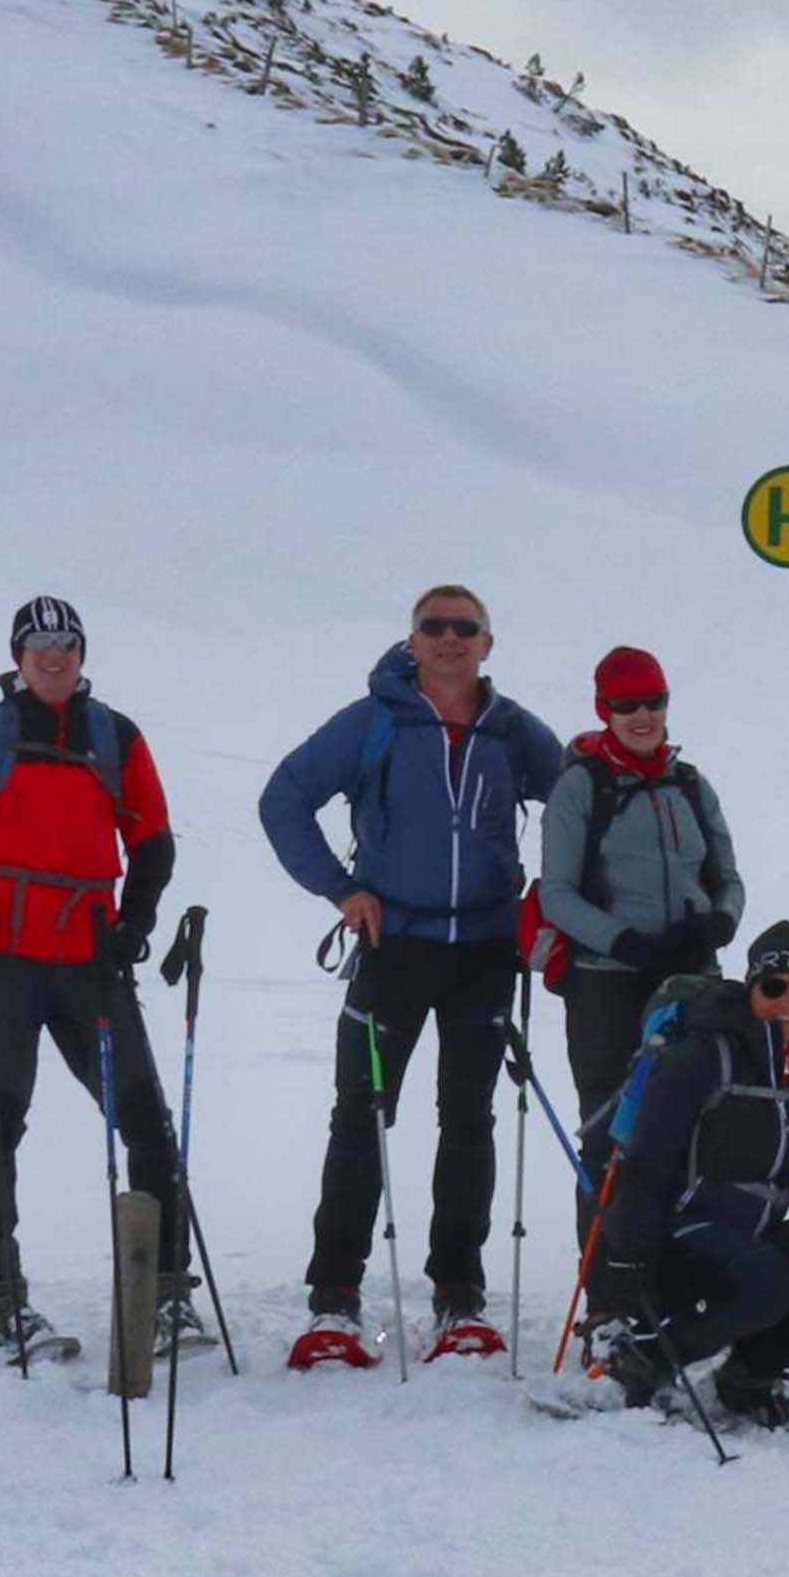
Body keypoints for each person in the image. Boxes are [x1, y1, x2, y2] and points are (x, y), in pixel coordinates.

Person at [258, 584, 565, 1368]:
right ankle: (335, 1299)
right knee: (361, 1116)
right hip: (394, 946)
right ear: (413, 639)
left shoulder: (511, 730)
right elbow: (285, 797)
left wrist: (550, 902)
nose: (451, 640)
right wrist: (341, 888)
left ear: (488, 644)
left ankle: (460, 1295)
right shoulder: (376, 722)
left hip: (486, 951)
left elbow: (579, 805)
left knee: (469, 1120)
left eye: (466, 628)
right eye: (436, 627)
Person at [0, 594, 187, 1349]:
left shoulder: (114, 737)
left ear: (83, 654)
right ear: (19, 656)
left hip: (90, 961)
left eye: (66, 643)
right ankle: (0, 1294)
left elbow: (153, 839)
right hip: (7, 966)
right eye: (39, 645)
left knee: (148, 1123)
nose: (54, 656)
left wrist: (136, 923)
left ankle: (166, 1290)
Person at [585, 920, 789, 1428]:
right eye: (772, 987)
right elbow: (648, 1163)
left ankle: (749, 1374)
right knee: (766, 1277)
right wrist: (625, 1266)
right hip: (680, 1240)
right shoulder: (700, 1059)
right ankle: (648, 1358)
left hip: (755, 1242)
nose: (785, 1003)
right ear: (750, 986)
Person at [534, 645, 743, 1234]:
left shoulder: (692, 785)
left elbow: (727, 877)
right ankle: (606, 1290)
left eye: (651, 702)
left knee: (699, 1124)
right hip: (607, 983)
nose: (641, 716)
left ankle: (682, 1275)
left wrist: (719, 922)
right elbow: (557, 894)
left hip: (691, 977)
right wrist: (624, 941)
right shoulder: (580, 787)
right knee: (609, 1130)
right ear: (605, 709)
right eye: (626, 705)